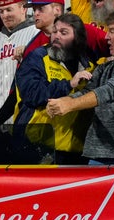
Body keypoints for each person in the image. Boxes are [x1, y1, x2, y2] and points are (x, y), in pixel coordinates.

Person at [44, 9, 114, 163]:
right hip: (97, 151)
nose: (107, 37)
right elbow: (89, 90)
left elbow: (110, 90)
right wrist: (61, 101)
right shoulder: (109, 65)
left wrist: (70, 104)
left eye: (112, 31)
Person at [13, 10, 94, 162]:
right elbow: (32, 94)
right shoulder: (37, 57)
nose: (56, 36)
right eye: (55, 31)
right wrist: (68, 84)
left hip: (74, 149)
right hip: (37, 145)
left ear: (77, 38)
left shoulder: (89, 66)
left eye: (64, 32)